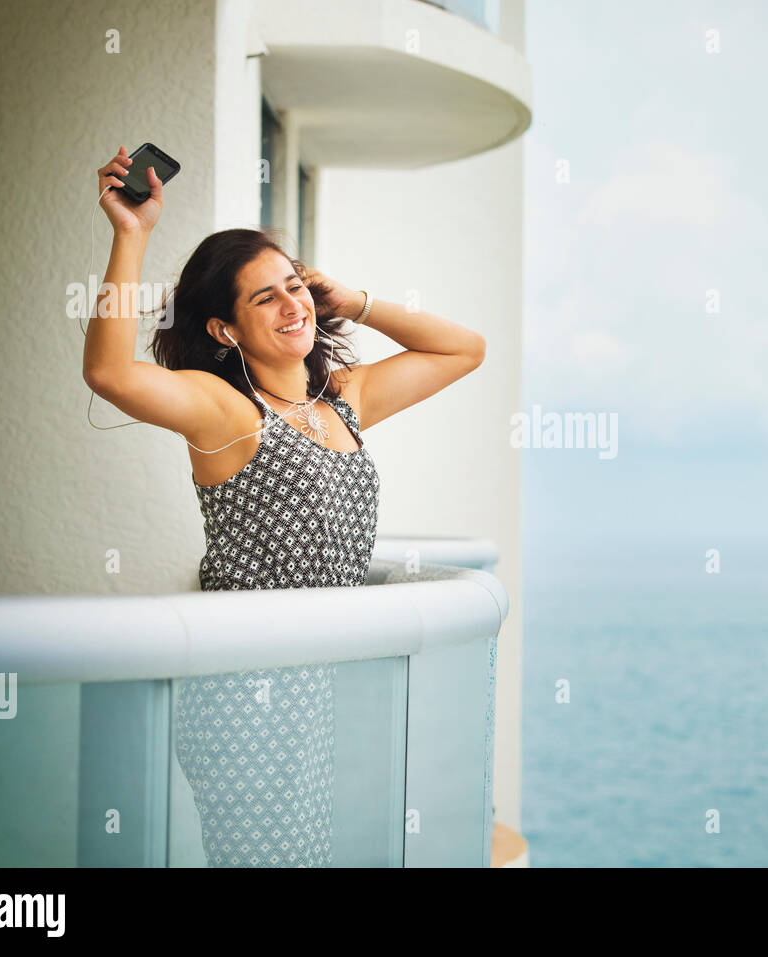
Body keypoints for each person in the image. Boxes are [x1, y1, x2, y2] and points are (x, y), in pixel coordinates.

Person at [81, 145, 486, 866]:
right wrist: (130, 234)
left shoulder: (343, 400)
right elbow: (110, 374)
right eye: (264, 297)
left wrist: (352, 299)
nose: (291, 304)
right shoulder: (226, 411)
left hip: (333, 686)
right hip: (250, 695)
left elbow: (465, 349)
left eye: (294, 286)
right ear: (224, 329)